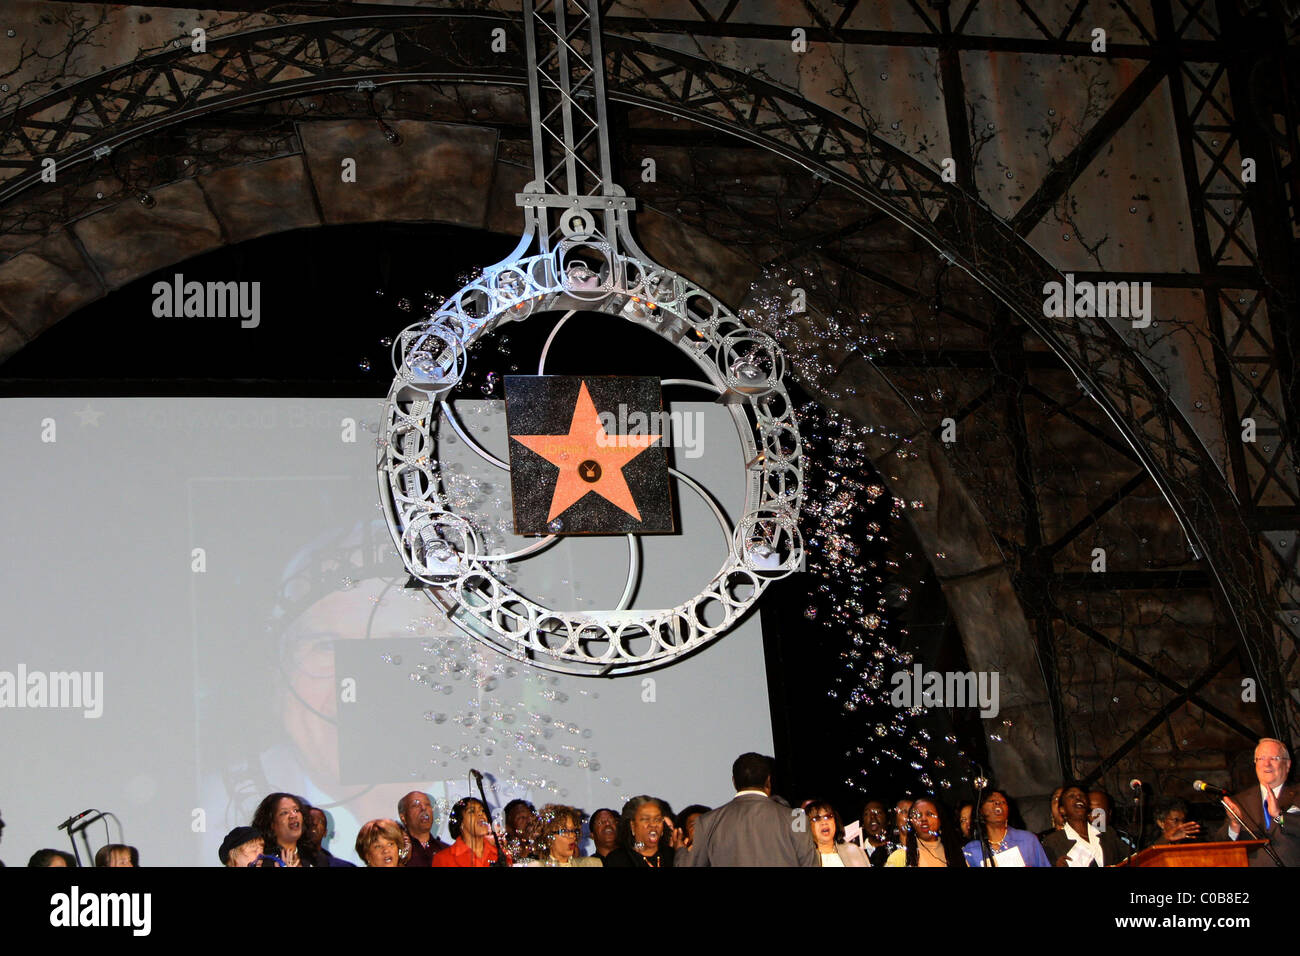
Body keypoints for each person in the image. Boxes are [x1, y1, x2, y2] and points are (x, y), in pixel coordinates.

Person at [676, 752, 817, 867]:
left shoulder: (707, 821)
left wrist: (680, 850)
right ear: (768, 780)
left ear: (734, 782)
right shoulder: (796, 817)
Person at [1216, 737, 1298, 867]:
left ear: (1287, 764)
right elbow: (1221, 846)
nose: (1266, 764)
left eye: (1274, 758)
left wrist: (1280, 817)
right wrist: (1234, 824)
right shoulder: (1240, 801)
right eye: (1261, 758)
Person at [1041, 784, 1128, 866]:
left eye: (1082, 795)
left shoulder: (1107, 833)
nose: (1078, 797)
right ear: (1062, 810)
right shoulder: (1052, 841)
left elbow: (1132, 858)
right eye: (1072, 796)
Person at [962, 789, 1050, 867]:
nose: (998, 803)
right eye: (992, 800)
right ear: (980, 810)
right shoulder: (971, 850)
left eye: (1003, 802)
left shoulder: (1028, 840)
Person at [885, 796, 966, 867]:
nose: (923, 819)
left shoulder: (955, 854)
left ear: (939, 820)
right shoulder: (900, 857)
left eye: (929, 814)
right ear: (912, 822)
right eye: (918, 815)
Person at [515, 805, 602, 867]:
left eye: (573, 831)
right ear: (548, 837)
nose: (572, 836)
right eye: (564, 831)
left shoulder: (592, 864)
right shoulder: (536, 866)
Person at [604, 796, 678, 868]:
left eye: (657, 819)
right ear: (632, 825)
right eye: (646, 819)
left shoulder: (674, 856)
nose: (653, 825)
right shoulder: (618, 859)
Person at [252, 792, 323, 867]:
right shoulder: (263, 862)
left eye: (296, 810)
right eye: (284, 812)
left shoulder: (316, 858)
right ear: (271, 824)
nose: (293, 815)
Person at [433, 797, 508, 867]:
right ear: (460, 823)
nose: (480, 814)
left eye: (482, 810)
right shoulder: (443, 859)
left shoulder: (501, 856)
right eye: (472, 811)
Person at [807, 799, 868, 867]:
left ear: (835, 821)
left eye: (828, 817)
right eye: (816, 819)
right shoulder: (802, 858)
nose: (824, 822)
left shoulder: (853, 851)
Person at [398, 791, 447, 866]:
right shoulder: (396, 851)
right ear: (403, 818)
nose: (423, 808)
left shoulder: (446, 850)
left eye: (427, 804)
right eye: (415, 805)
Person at [503, 798, 538, 863]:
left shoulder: (543, 853)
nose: (529, 821)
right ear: (508, 827)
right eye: (522, 817)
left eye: (531, 817)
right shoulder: (503, 857)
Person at [859, 800, 893, 866]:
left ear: (888, 820)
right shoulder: (856, 853)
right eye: (867, 814)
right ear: (862, 824)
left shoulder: (897, 851)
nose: (872, 816)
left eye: (878, 812)